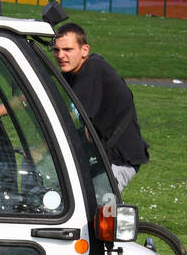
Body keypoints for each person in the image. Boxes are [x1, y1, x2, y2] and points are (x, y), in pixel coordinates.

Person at [51, 23, 149, 196]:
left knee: (97, 209)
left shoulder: (93, 70)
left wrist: (41, 149)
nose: (61, 55)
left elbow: (69, 118)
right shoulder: (71, 73)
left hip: (117, 159)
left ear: (84, 50)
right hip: (99, 157)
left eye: (67, 49)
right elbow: (34, 96)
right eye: (56, 50)